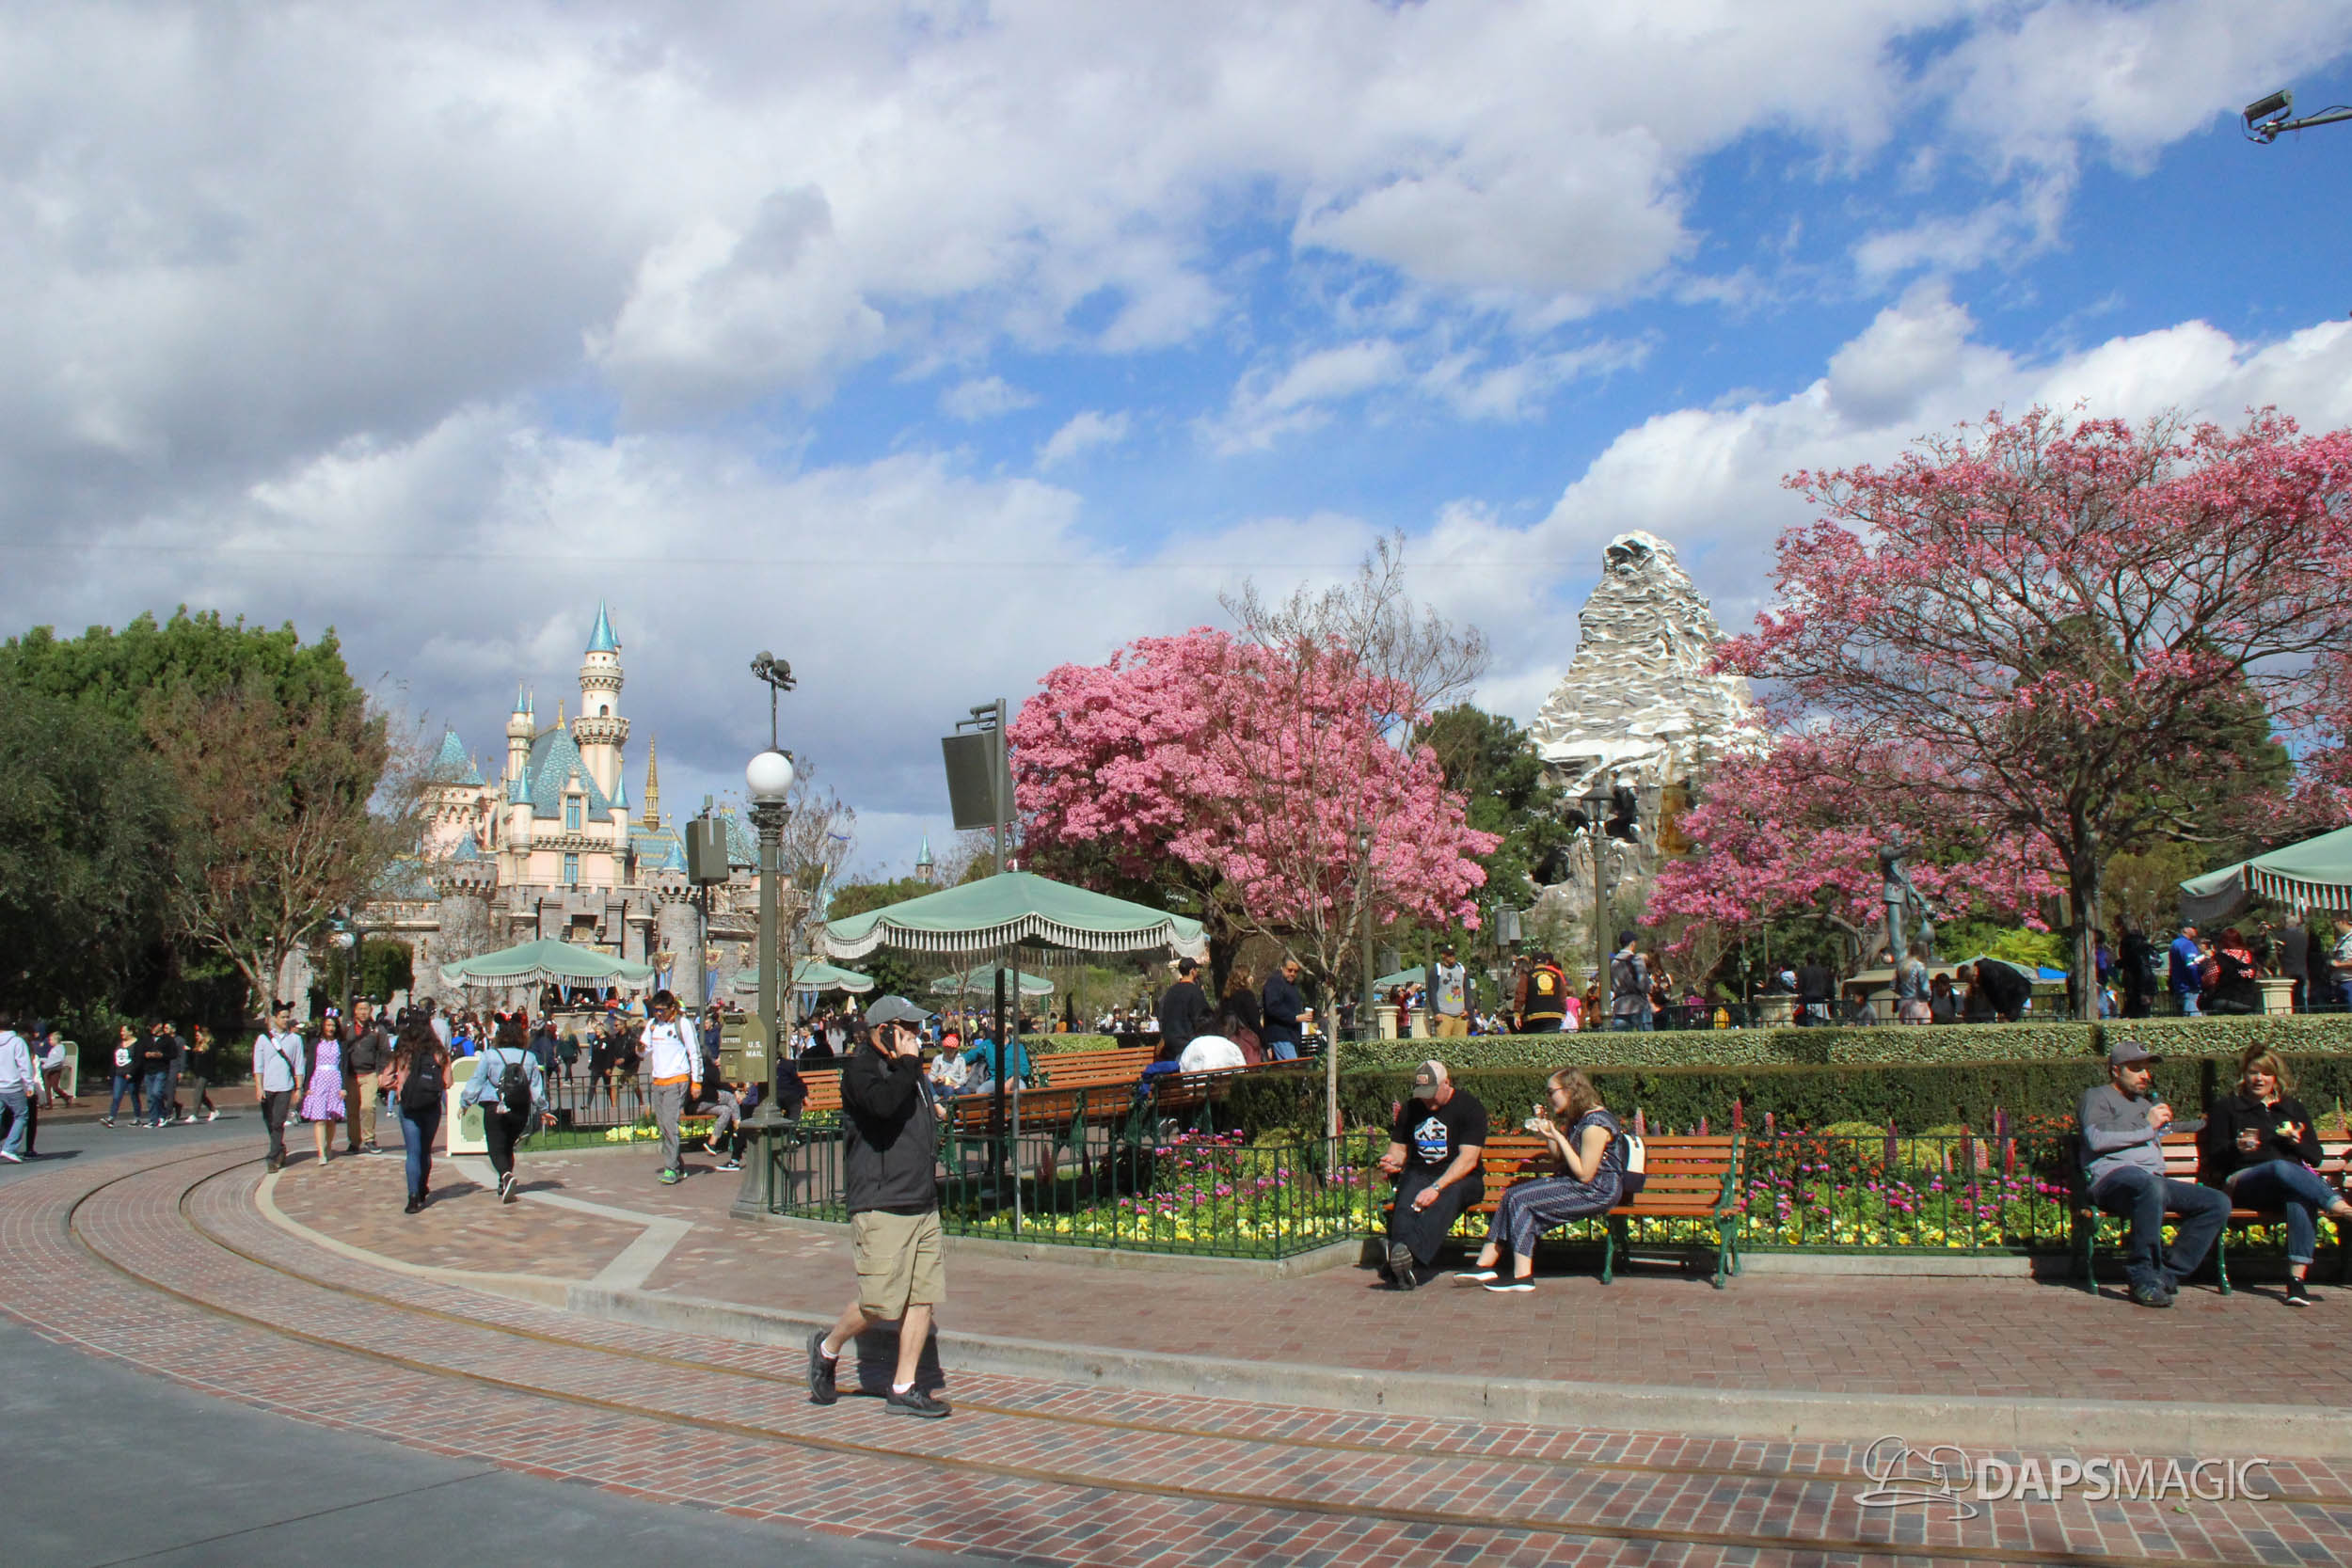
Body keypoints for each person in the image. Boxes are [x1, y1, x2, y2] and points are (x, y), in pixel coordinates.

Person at [807, 995, 950, 1419]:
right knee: (881, 1302)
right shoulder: (860, 1070)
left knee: (922, 1297)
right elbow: (883, 1106)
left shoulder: (914, 1071)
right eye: (908, 1030)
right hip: (882, 1200)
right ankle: (828, 1346)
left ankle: (904, 1386)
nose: (918, 1039)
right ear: (885, 1030)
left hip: (920, 1198)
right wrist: (907, 1066)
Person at [2078, 1037, 2228, 1307]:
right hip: (2114, 1179)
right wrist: (2149, 1127)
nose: (2145, 1075)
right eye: (2136, 1068)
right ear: (2116, 1070)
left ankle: (2167, 1274)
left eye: (2147, 1069)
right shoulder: (2097, 1096)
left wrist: (2213, 1123)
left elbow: (2170, 1129)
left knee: (2217, 1202)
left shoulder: (2145, 1105)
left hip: (2152, 1184)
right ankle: (2142, 1276)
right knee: (2150, 1186)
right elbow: (2096, 1139)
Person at [2201, 1047, 2352, 1307]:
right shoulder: (2229, 1108)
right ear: (2244, 1076)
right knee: (2279, 1168)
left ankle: (2296, 1283)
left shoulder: (2292, 1109)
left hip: (2287, 1184)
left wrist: (2295, 1142)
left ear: (2276, 1078)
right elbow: (2214, 1158)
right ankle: (2340, 1207)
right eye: (2253, 1073)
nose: (2259, 1079)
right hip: (2243, 1181)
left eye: (2266, 1073)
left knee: (2299, 1196)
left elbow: (2315, 1157)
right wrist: (2236, 1147)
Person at [1454, 1069, 1629, 1293]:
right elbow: (1560, 1159)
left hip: (1598, 1190)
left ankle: (1522, 1277)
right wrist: (1549, 1135)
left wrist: (1557, 1135)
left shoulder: (1596, 1124)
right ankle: (1484, 1265)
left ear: (1570, 1090)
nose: (1548, 1098)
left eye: (1551, 1092)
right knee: (1513, 1195)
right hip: (1579, 1185)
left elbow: (1585, 1173)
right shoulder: (1580, 1119)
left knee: (1521, 1200)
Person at [1375, 1060, 1486, 1291]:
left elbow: (1468, 1160)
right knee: (1407, 1199)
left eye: (1432, 1093)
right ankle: (1402, 1263)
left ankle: (1408, 1258)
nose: (1428, 1100)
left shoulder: (1469, 1107)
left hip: (1462, 1178)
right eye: (1423, 1094)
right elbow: (1398, 1149)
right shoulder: (1411, 1108)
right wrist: (1392, 1162)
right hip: (1420, 1172)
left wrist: (1436, 1188)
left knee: (1448, 1195)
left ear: (1447, 1083)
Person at [461, 1015, 549, 1203]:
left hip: (495, 1104)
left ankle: (506, 1175)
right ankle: (504, 1184)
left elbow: (476, 1081)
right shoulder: (530, 1057)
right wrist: (543, 1109)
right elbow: (536, 1087)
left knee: (495, 1146)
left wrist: (466, 1102)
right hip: (520, 1106)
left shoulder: (490, 1055)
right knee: (508, 1145)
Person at [383, 1015, 452, 1212]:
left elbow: (384, 1080)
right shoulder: (438, 1052)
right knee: (425, 1149)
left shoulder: (403, 1052)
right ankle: (422, 1187)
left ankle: (413, 1197)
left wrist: (400, 1086)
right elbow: (448, 1081)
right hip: (431, 1105)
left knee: (412, 1151)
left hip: (409, 1105)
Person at [641, 990, 702, 1187]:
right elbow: (644, 1050)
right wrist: (639, 1048)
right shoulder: (652, 1025)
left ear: (672, 1008)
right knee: (662, 1125)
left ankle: (671, 1168)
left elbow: (694, 1053)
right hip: (658, 1080)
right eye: (655, 1010)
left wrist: (696, 1081)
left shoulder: (682, 1024)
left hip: (677, 1079)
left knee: (669, 1123)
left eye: (662, 1010)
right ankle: (678, 1164)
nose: (658, 1014)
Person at [250, 1005, 307, 1174]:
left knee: (278, 1121)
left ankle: (272, 1157)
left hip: (285, 1086)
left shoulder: (295, 1040)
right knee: (269, 1121)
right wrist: (259, 1087)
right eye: (282, 1017)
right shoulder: (263, 1039)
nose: (285, 1020)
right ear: (275, 1018)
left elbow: (299, 1065)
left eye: (287, 1016)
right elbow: (258, 1065)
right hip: (268, 1086)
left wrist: (298, 1088)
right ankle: (280, 1148)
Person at [297, 1014, 347, 1167]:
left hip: (335, 1080)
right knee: (319, 1118)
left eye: (333, 1025)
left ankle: (329, 1145)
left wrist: (343, 1087)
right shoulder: (315, 1043)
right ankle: (321, 1152)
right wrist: (307, 1086)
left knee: (331, 1118)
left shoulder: (341, 1044)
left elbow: (344, 1065)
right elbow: (310, 1064)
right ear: (323, 1027)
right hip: (318, 1080)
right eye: (327, 1025)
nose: (330, 1028)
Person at [344, 999, 391, 1154]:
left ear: (371, 1010)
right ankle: (354, 1141)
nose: (363, 1012)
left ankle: (369, 1138)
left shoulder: (377, 1029)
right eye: (360, 1009)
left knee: (367, 1107)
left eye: (366, 1009)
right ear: (355, 1011)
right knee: (352, 1110)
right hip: (351, 1075)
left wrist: (380, 1072)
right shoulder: (346, 1028)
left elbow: (384, 1051)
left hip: (369, 1073)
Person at [1155, 958, 1212, 1057]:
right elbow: (1202, 1019)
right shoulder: (1195, 992)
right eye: (1196, 969)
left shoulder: (1170, 992)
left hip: (1170, 1046)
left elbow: (1162, 1016)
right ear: (1192, 971)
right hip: (1188, 1046)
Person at [0, 1014, 37, 1164]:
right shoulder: (17, 1042)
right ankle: (9, 1148)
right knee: (21, 1116)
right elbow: (24, 1065)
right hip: (13, 1086)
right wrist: (29, 1085)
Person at [1261, 957, 1307, 1060]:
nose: (1293, 974)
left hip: (1291, 1036)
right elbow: (1272, 1007)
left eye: (1296, 971)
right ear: (1282, 968)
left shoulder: (1292, 986)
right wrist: (1295, 1017)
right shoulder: (1275, 982)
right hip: (1280, 1036)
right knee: (1293, 1069)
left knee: (1287, 1071)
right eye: (1290, 970)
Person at [2207, 927, 2261, 1014]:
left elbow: (2210, 979)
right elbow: (2257, 975)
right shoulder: (2250, 957)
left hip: (2224, 999)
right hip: (2247, 1001)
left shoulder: (2218, 958)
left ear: (2222, 941)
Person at [1216, 967, 1265, 1061]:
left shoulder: (1225, 998)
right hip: (1247, 1041)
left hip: (1230, 1040)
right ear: (1243, 979)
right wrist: (1265, 1043)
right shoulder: (1247, 995)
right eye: (1249, 976)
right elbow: (1254, 1022)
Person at [1426, 944, 1471, 1037]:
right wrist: (1436, 1012)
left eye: (1453, 954)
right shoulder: (1437, 970)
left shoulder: (1461, 969)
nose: (1452, 957)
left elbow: (1467, 990)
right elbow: (1432, 992)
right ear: (1443, 955)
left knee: (1461, 1044)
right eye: (1449, 955)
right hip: (1444, 1015)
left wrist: (1467, 1008)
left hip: (1460, 1014)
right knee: (1443, 1044)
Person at [1608, 933, 1650, 1032]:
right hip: (1637, 1005)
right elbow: (1644, 985)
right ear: (1633, 944)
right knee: (1646, 1039)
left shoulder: (1613, 962)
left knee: (1620, 1041)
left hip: (1619, 1005)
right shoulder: (1636, 960)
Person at [103, 1023, 141, 1128]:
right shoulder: (119, 1043)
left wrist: (131, 1073)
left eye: (124, 1031)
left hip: (131, 1075)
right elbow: (114, 1060)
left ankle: (137, 1118)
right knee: (116, 1096)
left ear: (131, 1032)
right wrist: (111, 1073)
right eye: (121, 1031)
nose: (122, 1033)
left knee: (133, 1095)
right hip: (119, 1074)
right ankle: (111, 1118)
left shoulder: (137, 1044)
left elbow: (139, 1061)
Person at [1968, 958, 2029, 1023]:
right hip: (2017, 988)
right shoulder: (1987, 969)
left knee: (2009, 1016)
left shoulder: (1988, 974)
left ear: (1976, 976)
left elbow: (1997, 992)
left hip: (2017, 990)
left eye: (1976, 982)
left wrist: (2001, 1010)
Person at [1518, 952, 1565, 1033]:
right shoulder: (1556, 975)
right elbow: (1562, 995)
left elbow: (1520, 994)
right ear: (1546, 962)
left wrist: (1517, 1012)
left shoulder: (1527, 975)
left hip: (1533, 1016)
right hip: (1554, 1015)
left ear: (1532, 962)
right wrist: (1563, 1011)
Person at [2168, 925, 2208, 1016]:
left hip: (2180, 986)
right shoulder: (2186, 944)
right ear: (2185, 929)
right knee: (2193, 1020)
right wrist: (2197, 983)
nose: (2195, 929)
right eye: (2192, 927)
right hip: (2190, 988)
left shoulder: (2175, 943)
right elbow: (2191, 966)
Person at [1895, 944, 1933, 1025]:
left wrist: (1903, 994)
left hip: (1904, 1004)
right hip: (1918, 1003)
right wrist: (1928, 997)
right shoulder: (1920, 966)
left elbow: (1893, 986)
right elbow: (1925, 988)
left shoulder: (1901, 966)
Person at [1176, 1032, 1246, 1072]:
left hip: (1197, 1092)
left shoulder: (1194, 1045)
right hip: (1229, 1090)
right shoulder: (1231, 1045)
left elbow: (1183, 1069)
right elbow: (1242, 1068)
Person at [1794, 958, 1834, 1026]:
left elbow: (1800, 986)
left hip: (1807, 1001)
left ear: (1807, 961)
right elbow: (1828, 984)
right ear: (1816, 960)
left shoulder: (1803, 971)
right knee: (1822, 1023)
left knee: (1810, 1023)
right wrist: (1830, 996)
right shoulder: (1823, 971)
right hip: (1821, 1000)